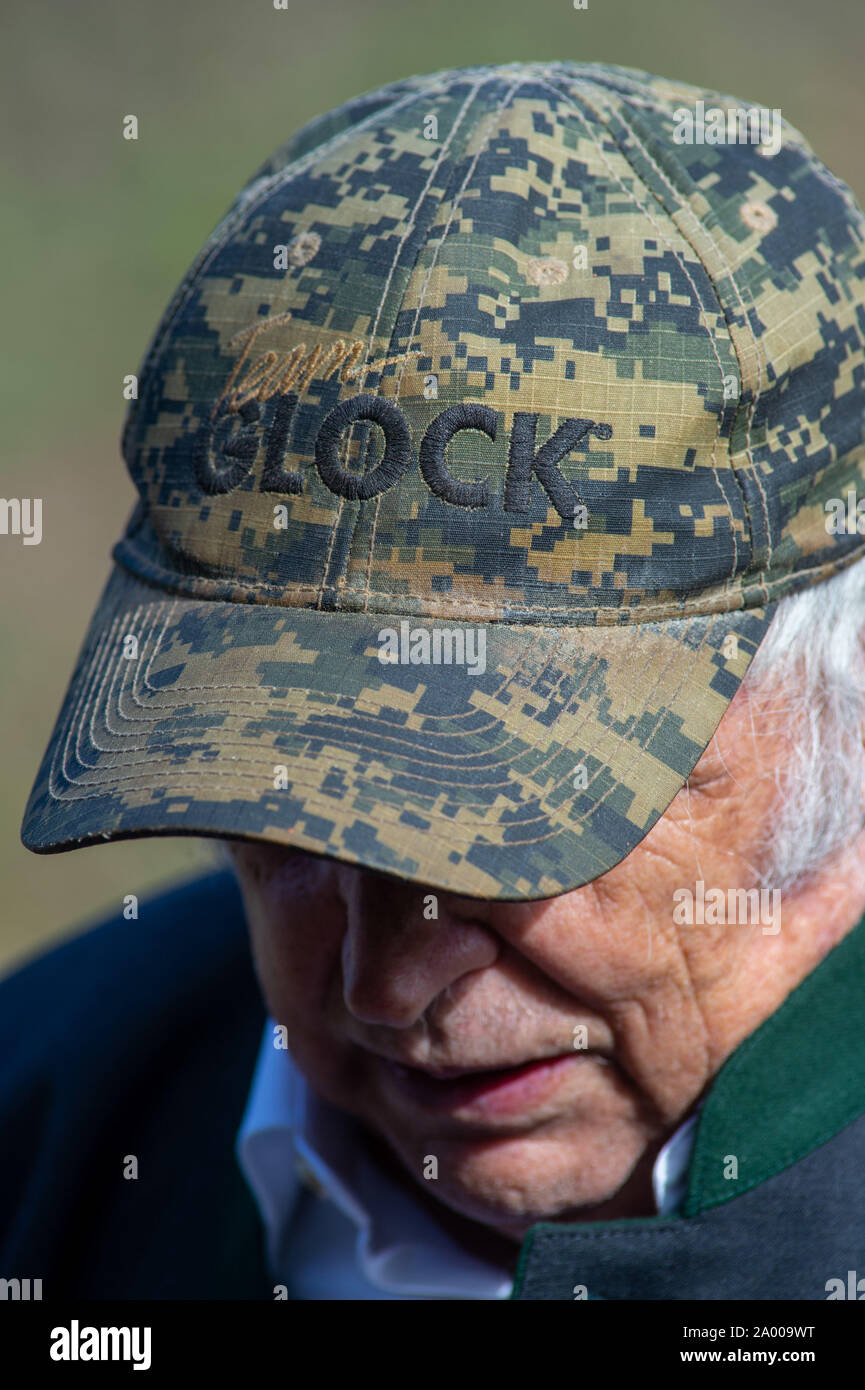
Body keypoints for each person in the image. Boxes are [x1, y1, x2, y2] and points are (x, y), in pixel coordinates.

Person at [4, 59, 865, 1301]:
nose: (384, 979)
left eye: (507, 817)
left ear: (840, 708)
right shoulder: (51, 1106)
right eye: (280, 808)